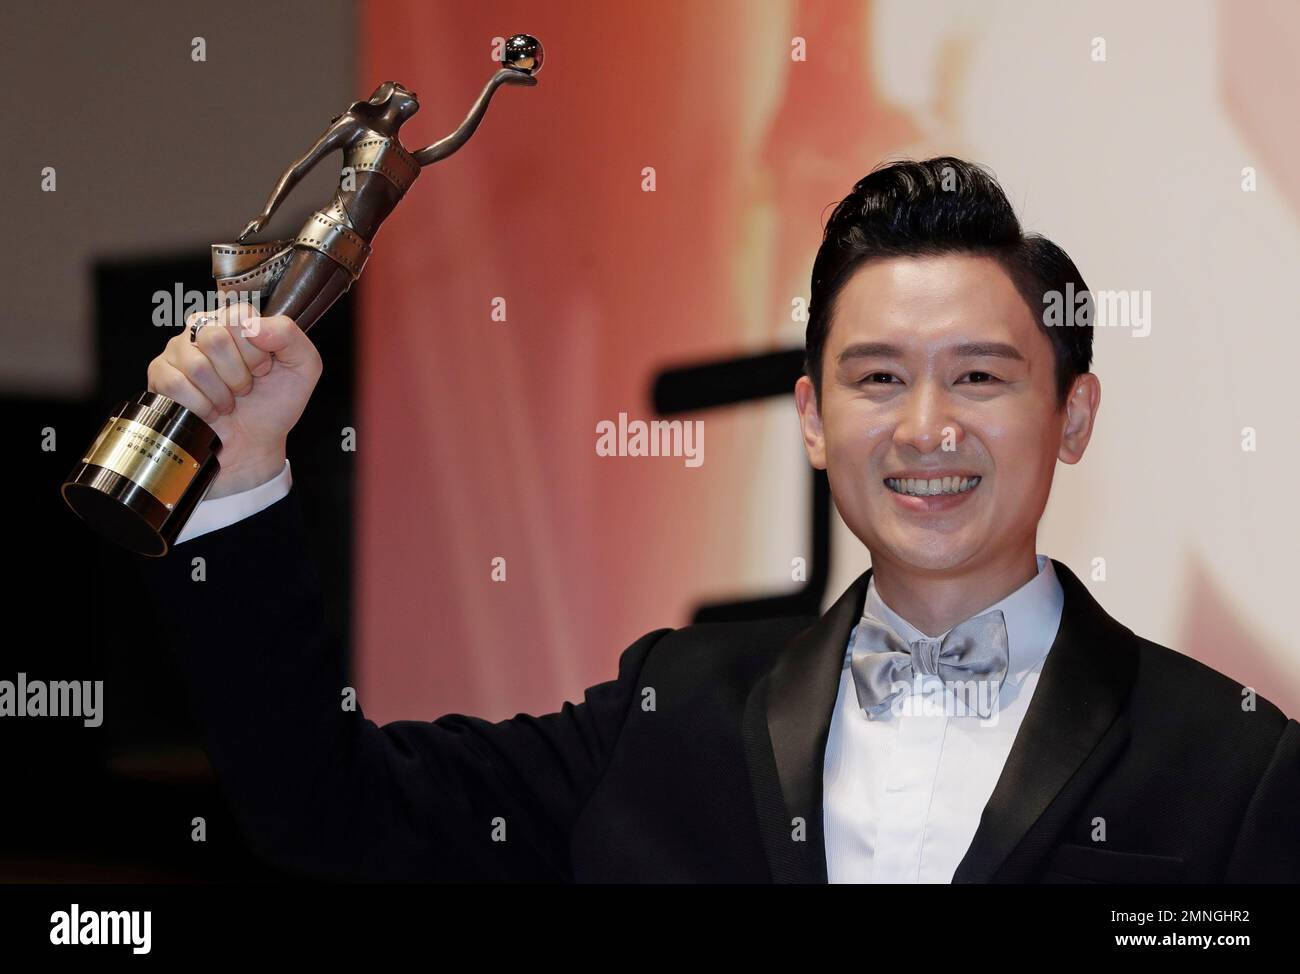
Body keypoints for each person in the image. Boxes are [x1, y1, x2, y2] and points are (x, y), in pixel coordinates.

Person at [138, 157, 1299, 882]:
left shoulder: (1234, 761)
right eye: (878, 378)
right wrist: (240, 478)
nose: (925, 427)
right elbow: (329, 814)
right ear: (810, 414)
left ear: (1073, 414)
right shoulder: (671, 710)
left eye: (982, 378)